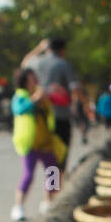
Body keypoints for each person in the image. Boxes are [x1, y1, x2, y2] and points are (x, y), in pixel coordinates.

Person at [9, 67, 66, 221]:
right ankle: (18, 206)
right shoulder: (20, 96)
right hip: (29, 143)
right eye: (31, 78)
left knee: (53, 171)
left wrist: (58, 92)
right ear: (24, 81)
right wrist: (35, 98)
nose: (35, 81)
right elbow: (20, 109)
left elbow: (62, 101)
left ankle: (48, 201)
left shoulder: (42, 93)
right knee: (28, 175)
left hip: (46, 141)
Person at [20, 37, 84, 168]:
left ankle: (53, 185)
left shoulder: (34, 62)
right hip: (60, 115)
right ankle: (56, 186)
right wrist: (85, 106)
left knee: (51, 156)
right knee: (60, 154)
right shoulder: (62, 63)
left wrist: (39, 48)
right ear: (62, 50)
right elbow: (75, 88)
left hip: (41, 117)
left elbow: (24, 63)